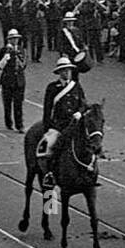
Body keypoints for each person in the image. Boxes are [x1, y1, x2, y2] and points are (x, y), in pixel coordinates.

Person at [36, 57, 88, 188]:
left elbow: (83, 104)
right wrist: (48, 128)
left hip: (75, 125)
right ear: (59, 73)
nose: (67, 73)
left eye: (68, 70)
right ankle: (49, 174)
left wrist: (80, 112)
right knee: (48, 147)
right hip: (59, 126)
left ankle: (90, 171)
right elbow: (47, 110)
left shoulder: (76, 86)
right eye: (64, 71)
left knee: (91, 143)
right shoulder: (52, 88)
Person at [0, 28, 27, 131]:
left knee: (18, 104)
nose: (15, 40)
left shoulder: (22, 50)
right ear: (9, 40)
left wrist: (16, 54)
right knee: (7, 104)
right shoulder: (4, 50)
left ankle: (19, 125)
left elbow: (23, 65)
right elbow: (0, 66)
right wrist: (7, 55)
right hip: (7, 80)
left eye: (16, 38)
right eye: (12, 39)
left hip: (19, 80)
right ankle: (8, 123)